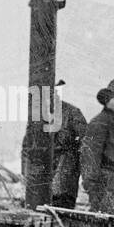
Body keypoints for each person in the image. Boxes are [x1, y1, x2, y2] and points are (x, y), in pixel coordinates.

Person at [80, 72, 114, 215]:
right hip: (108, 189)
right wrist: (94, 193)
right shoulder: (99, 123)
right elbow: (89, 159)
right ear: (107, 100)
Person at [50, 81, 87, 210]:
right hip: (42, 179)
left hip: (65, 175)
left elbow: (87, 141)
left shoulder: (72, 112)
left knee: (62, 210)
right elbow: (28, 146)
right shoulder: (37, 116)